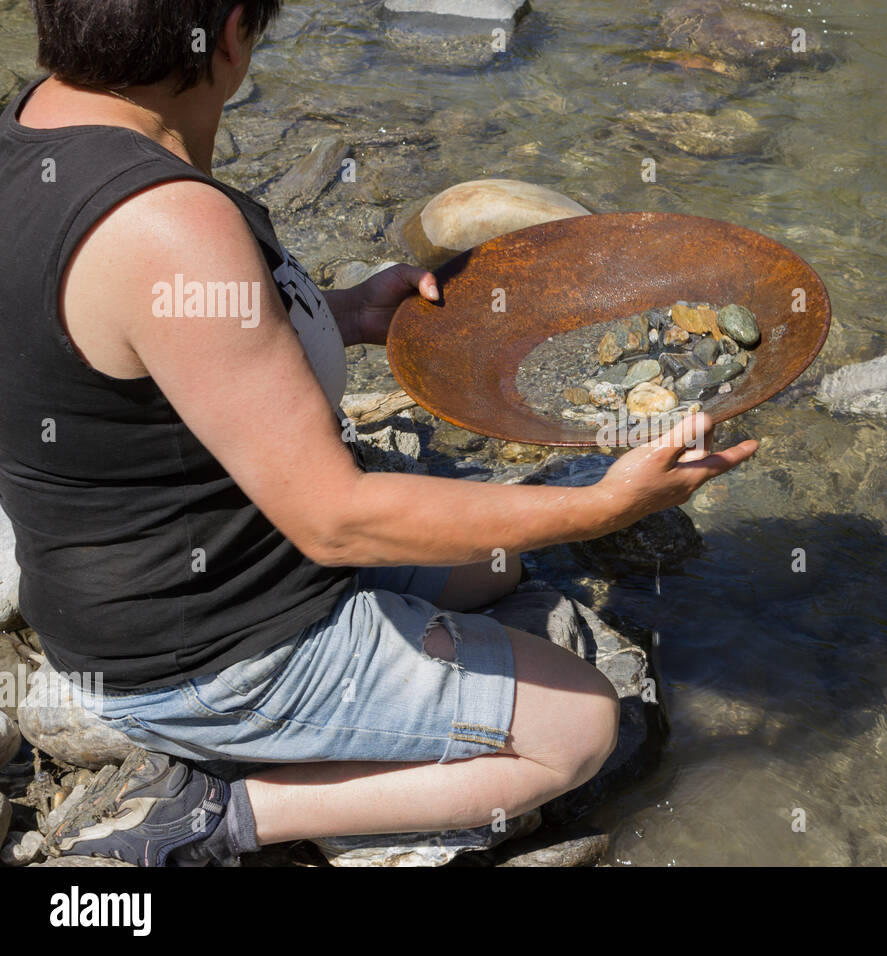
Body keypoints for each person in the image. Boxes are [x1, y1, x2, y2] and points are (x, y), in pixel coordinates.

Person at [0, 0, 757, 866]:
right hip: (207, 649)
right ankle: (220, 814)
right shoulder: (168, 223)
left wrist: (347, 313)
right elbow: (336, 517)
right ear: (235, 32)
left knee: (497, 558)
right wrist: (606, 507)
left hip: (148, 576)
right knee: (580, 727)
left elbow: (150, 343)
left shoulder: (34, 129)